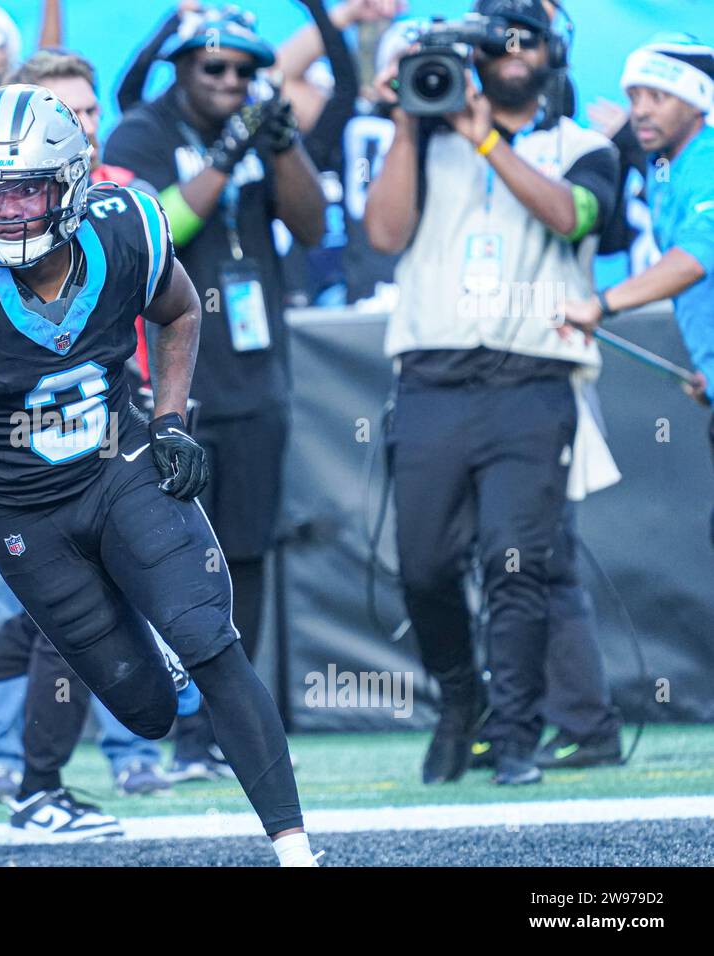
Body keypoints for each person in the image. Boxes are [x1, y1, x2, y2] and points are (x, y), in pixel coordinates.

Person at [0, 85, 319, 866]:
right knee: (147, 710)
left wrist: (172, 419)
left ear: (71, 183)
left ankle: (295, 850)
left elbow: (181, 310)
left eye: (26, 192)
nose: (7, 214)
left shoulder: (129, 229)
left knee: (211, 645)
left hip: (120, 472)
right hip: (24, 520)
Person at [365, 0, 620, 786]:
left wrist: (486, 138)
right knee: (423, 568)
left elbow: (575, 216)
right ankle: (461, 699)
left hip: (530, 383)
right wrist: (410, 120)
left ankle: (514, 734)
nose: (511, 53)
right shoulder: (428, 137)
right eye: (495, 41)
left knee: (518, 567)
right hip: (433, 381)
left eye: (526, 40)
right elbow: (381, 235)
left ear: (551, 52)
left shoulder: (585, 145)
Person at [104, 4, 325, 779]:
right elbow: (153, 231)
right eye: (215, 67)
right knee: (176, 560)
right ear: (182, 66)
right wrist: (228, 156)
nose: (232, 82)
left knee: (249, 555)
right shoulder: (140, 132)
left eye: (245, 69)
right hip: (172, 385)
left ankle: (227, 731)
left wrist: (284, 143)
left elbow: (313, 223)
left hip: (256, 380)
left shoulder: (262, 126)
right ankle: (171, 735)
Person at [562, 38, 714, 483]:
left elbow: (695, 260)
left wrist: (601, 305)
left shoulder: (707, 161)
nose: (641, 110)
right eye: (634, 98)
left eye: (658, 97)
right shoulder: (669, 166)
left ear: (697, 101)